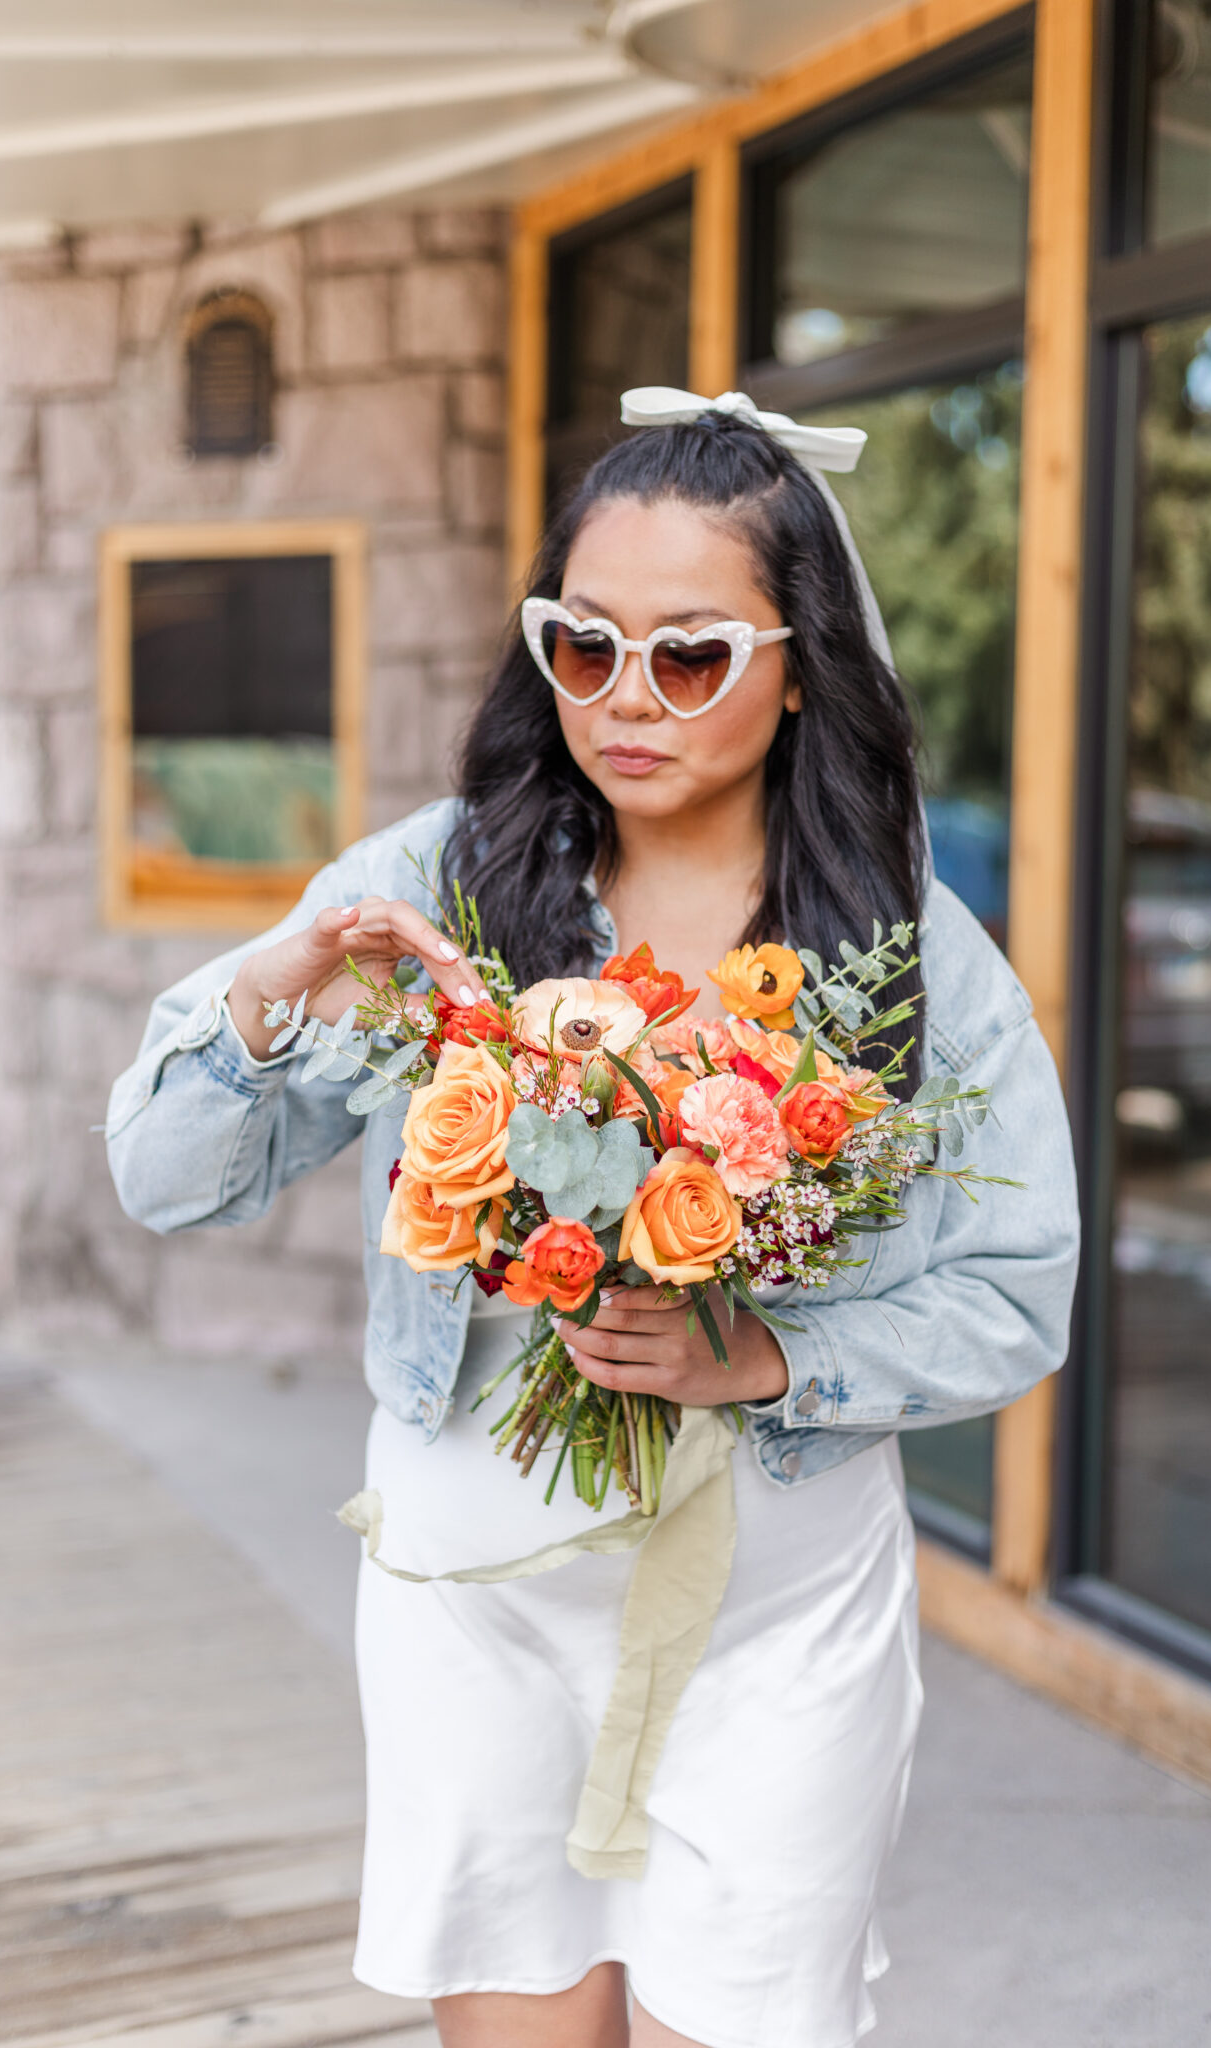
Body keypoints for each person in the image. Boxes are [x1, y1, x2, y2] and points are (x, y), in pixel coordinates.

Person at [108, 389, 1080, 2048]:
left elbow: (1017, 1289)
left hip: (774, 1614)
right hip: (473, 1594)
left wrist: (772, 1352)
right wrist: (268, 996)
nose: (625, 701)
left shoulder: (901, 945)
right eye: (582, 646)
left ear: (798, 664)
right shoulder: (432, 886)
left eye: (690, 655)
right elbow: (166, 1176)